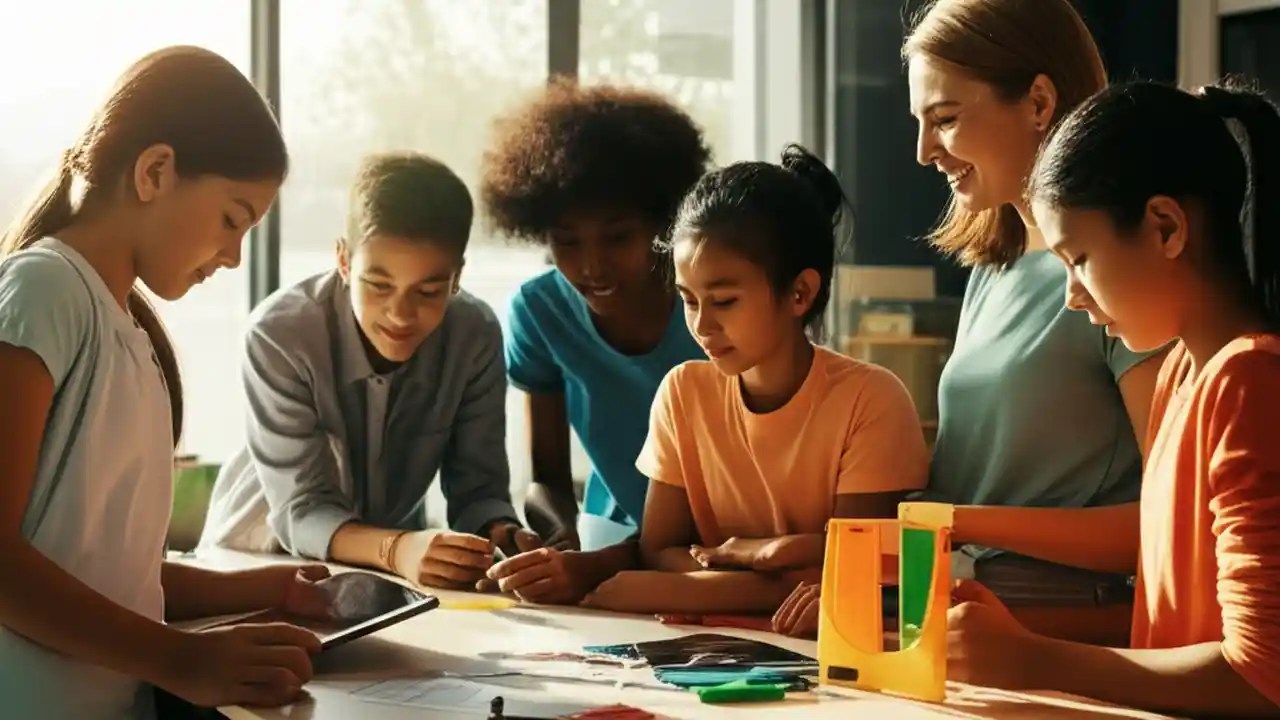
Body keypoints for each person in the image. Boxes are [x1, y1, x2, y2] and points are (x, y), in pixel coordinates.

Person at [784, 0, 1166, 645]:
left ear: (1039, 103)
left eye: (946, 119)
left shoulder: (1120, 277)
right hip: (950, 614)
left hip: (1052, 634)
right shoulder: (996, 268)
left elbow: (1170, 526)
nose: (923, 151)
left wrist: (957, 523)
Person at [0, 46, 327, 718]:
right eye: (232, 219)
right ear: (155, 171)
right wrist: (180, 660)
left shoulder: (132, 336)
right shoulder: (45, 289)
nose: (236, 256)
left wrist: (261, 589)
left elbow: (113, 579)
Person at [947, 79, 1280, 718]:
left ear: (1165, 227)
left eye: (1080, 259)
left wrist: (1034, 660)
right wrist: (1019, 638)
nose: (1072, 294)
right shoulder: (1185, 372)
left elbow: (1261, 675)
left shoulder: (1249, 383)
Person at [579, 145, 929, 616]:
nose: (701, 326)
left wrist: (691, 589)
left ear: (800, 292)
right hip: (699, 645)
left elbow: (858, 571)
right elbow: (658, 551)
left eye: (723, 301)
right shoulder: (683, 393)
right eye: (688, 300)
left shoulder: (871, 400)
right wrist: (782, 565)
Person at [202, 152, 536, 590]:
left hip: (384, 570)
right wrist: (396, 549)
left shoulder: (474, 334)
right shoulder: (281, 334)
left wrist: (503, 535)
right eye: (379, 285)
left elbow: (478, 490)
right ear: (343, 260)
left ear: (457, 278)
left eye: (429, 291)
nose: (401, 314)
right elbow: (301, 510)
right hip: (254, 561)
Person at [477, 82, 710, 604]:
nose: (591, 266)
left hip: (707, 561)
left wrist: (597, 566)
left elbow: (724, 511)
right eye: (567, 242)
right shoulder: (540, 312)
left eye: (617, 238)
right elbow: (548, 480)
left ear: (664, 222)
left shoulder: (711, 314)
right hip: (610, 538)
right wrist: (556, 538)